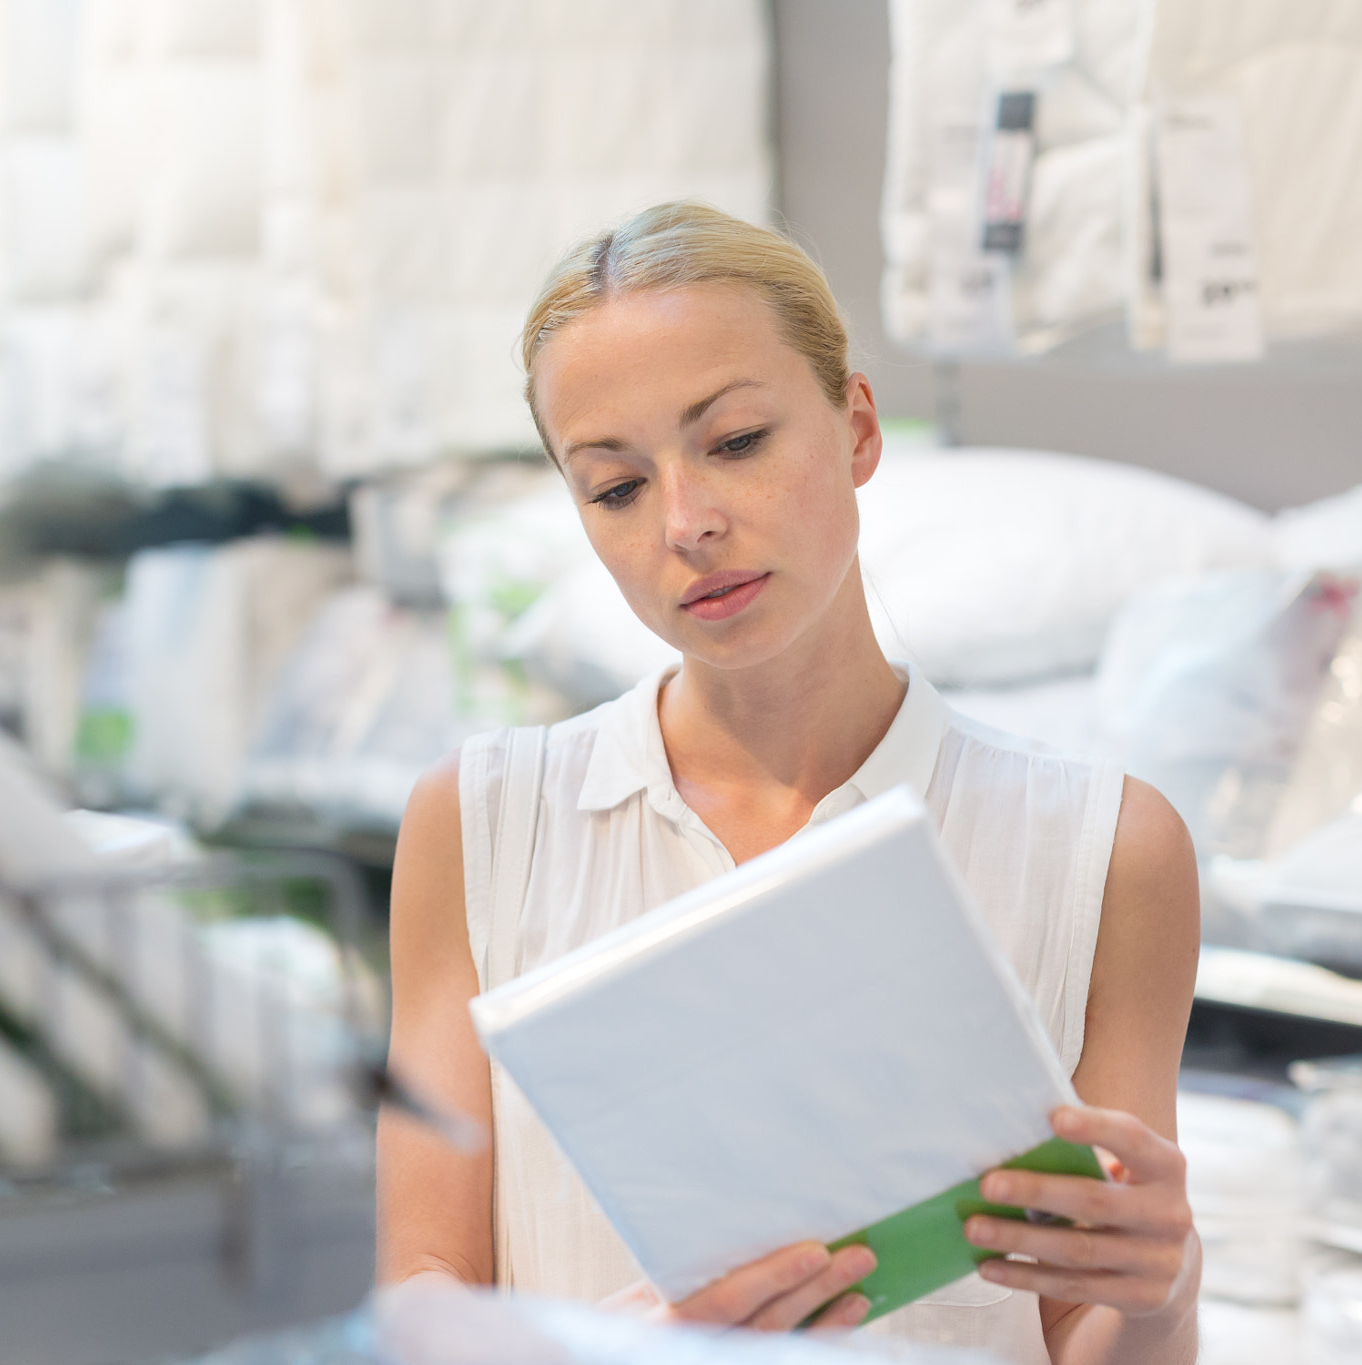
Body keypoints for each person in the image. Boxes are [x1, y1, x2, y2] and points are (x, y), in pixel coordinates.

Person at [376, 201, 1201, 1364]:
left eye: (736, 441)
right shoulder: (480, 820)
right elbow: (418, 1290)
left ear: (856, 429)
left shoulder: (1100, 848)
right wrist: (611, 1348)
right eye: (614, 488)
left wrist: (1160, 1294)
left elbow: (1089, 1325)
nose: (687, 523)